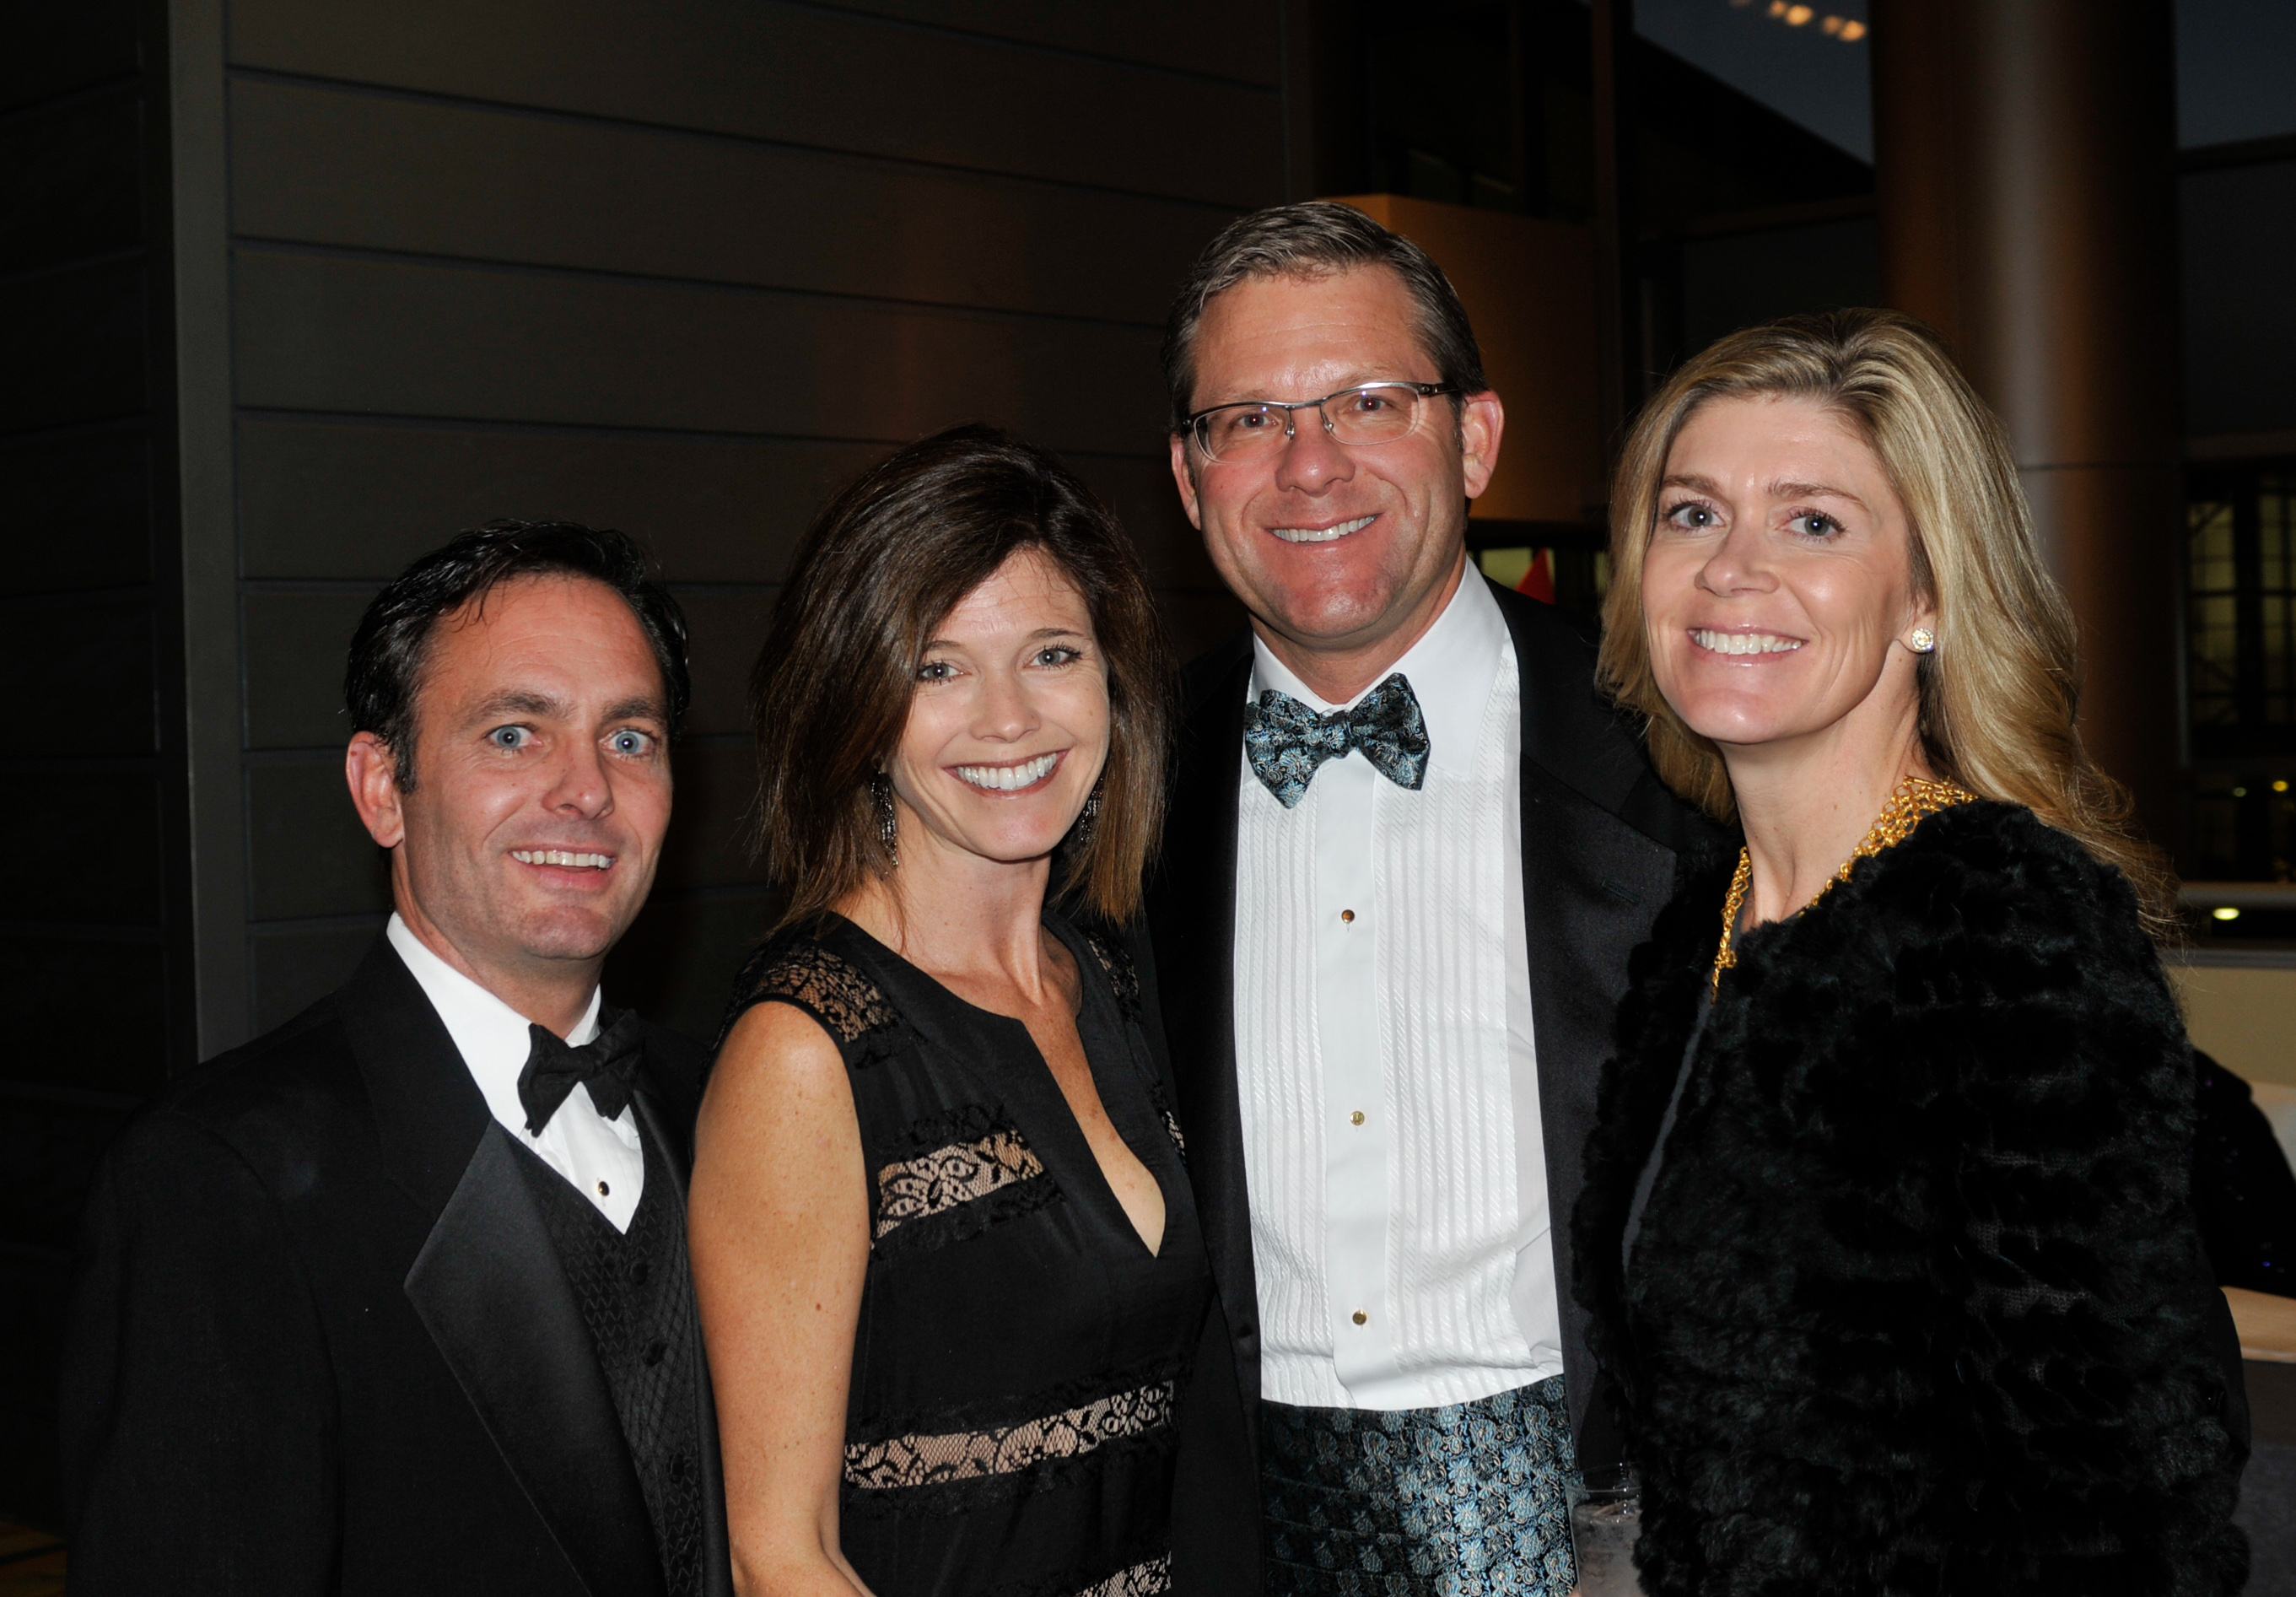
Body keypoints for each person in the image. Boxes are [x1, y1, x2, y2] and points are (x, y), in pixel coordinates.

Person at [1571, 309, 2251, 1594]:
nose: (1731, 568)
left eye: (1812, 521)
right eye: (1691, 512)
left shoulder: (2001, 929)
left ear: (1929, 594)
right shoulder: (1693, 936)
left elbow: (2117, 1495)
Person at [1143, 201, 1717, 1594]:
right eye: (1249, 418)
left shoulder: (1686, 763)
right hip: (1234, 1536)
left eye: (1368, 400)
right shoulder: (1110, 796)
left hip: (1615, 1527)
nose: (1309, 463)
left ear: (1472, 436)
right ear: (1186, 474)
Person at [62, 522, 731, 1597]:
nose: (587, 790)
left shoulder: (733, 1108)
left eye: (630, 738)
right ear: (382, 788)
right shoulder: (213, 1181)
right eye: (514, 734)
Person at [693, 425, 1221, 1597]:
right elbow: (777, 1554)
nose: (1006, 718)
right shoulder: (806, 1048)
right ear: (860, 708)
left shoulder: (1111, 983)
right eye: (938, 667)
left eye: (1050, 654)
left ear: (1112, 683)